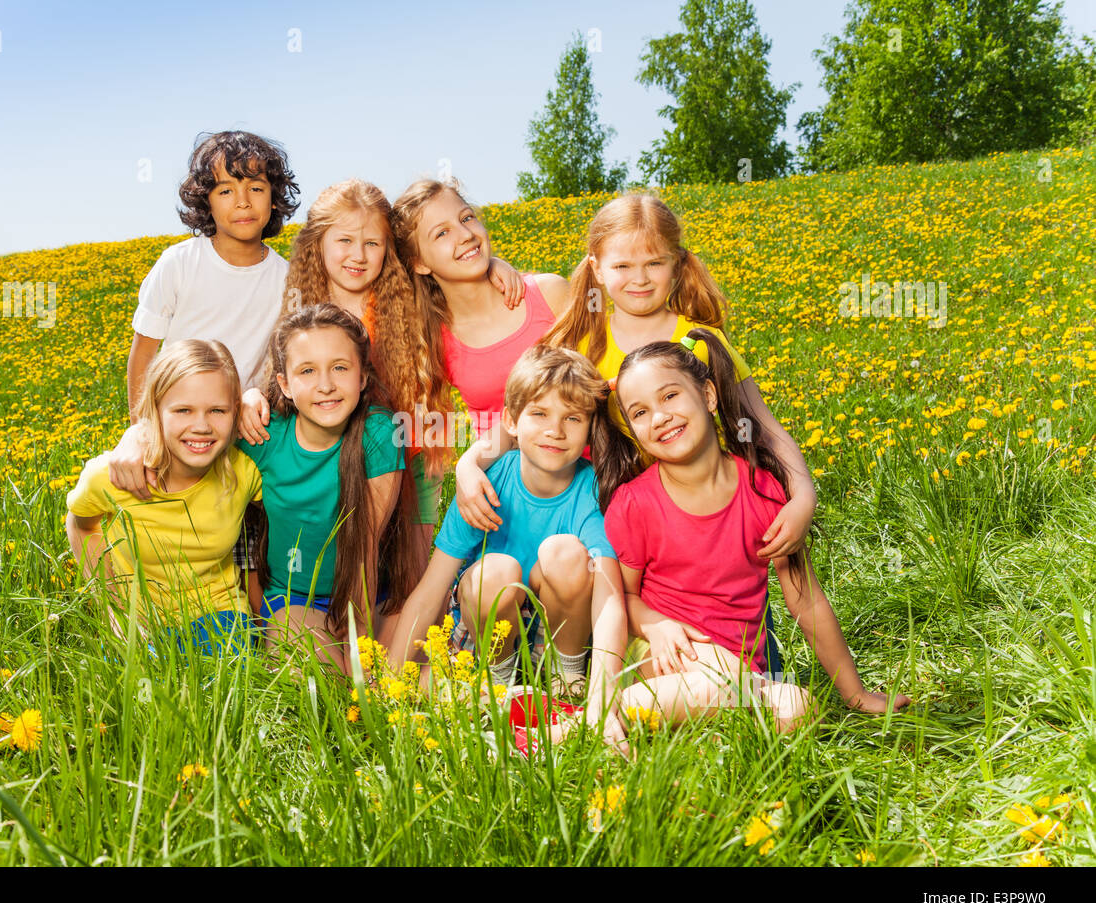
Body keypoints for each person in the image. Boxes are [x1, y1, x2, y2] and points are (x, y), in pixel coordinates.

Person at [453, 194, 815, 570]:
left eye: (654, 263)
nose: (639, 279)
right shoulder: (580, 345)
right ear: (596, 267)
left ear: (675, 265)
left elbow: (762, 427)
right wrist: (470, 461)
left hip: (703, 518)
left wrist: (802, 494)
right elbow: (528, 420)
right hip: (607, 523)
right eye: (623, 265)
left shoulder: (702, 340)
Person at [595, 330, 911, 734]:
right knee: (729, 680)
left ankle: (692, 728)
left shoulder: (763, 489)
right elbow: (622, 598)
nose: (659, 417)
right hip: (662, 657)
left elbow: (806, 600)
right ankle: (587, 721)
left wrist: (856, 694)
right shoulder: (635, 503)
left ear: (709, 396)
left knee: (800, 709)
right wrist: (657, 624)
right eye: (639, 413)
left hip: (745, 672)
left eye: (670, 396)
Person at [237, 179, 524, 575]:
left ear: (388, 249)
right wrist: (253, 396)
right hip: (331, 469)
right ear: (316, 244)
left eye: (372, 243)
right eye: (344, 242)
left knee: (407, 581)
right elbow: (283, 378)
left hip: (413, 461)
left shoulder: (408, 295)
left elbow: (452, 269)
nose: (358, 255)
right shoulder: (300, 307)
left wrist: (493, 267)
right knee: (340, 572)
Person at [387, 345, 632, 737]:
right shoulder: (485, 485)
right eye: (539, 414)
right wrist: (388, 687)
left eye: (573, 418)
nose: (555, 430)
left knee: (567, 554)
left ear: (589, 428)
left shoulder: (592, 490)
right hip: (489, 621)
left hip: (558, 623)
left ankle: (564, 677)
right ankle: (496, 682)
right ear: (511, 422)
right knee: (497, 570)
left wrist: (605, 704)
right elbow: (431, 589)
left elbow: (608, 599)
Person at [115, 130, 301, 613]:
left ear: (274, 198)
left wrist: (254, 396)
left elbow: (279, 361)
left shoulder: (285, 277)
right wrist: (141, 429)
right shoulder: (179, 263)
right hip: (175, 427)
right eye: (225, 190)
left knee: (250, 546)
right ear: (206, 201)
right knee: (162, 535)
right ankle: (151, 621)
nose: (243, 202)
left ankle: (258, 630)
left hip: (242, 430)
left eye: (256, 188)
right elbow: (143, 355)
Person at [239, 304, 417, 673]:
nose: (325, 385)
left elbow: (363, 548)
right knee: (319, 675)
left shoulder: (379, 433)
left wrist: (361, 646)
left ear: (363, 376)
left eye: (340, 367)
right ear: (284, 383)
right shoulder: (264, 436)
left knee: (408, 682)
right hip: (294, 602)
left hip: (371, 597)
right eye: (307, 371)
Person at [65, 340, 262, 655]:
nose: (201, 426)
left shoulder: (245, 470)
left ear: (235, 413)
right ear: (155, 411)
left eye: (218, 410)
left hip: (220, 615)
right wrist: (114, 609)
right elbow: (81, 526)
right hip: (141, 623)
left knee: (222, 691)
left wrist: (256, 397)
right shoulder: (113, 476)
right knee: (139, 695)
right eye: (183, 410)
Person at [391, 177, 570, 439]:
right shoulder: (432, 340)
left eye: (466, 218)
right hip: (497, 473)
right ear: (418, 262)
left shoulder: (551, 294)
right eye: (442, 233)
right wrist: (469, 465)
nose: (466, 235)